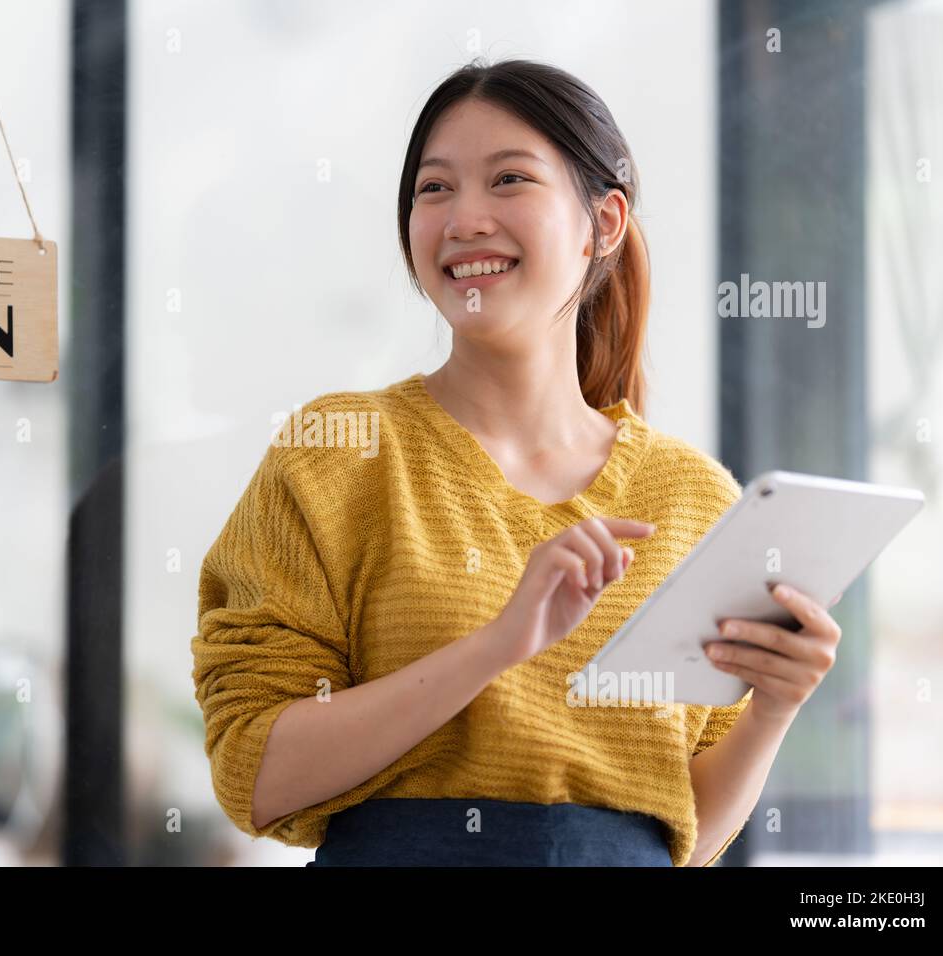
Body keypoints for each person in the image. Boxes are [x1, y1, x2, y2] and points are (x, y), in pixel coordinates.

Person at [190, 58, 842, 867]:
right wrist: (501, 643)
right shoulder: (338, 456)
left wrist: (774, 707)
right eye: (434, 190)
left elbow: (679, 836)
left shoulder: (692, 498)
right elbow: (255, 772)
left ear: (602, 224)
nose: (464, 218)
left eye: (508, 181)